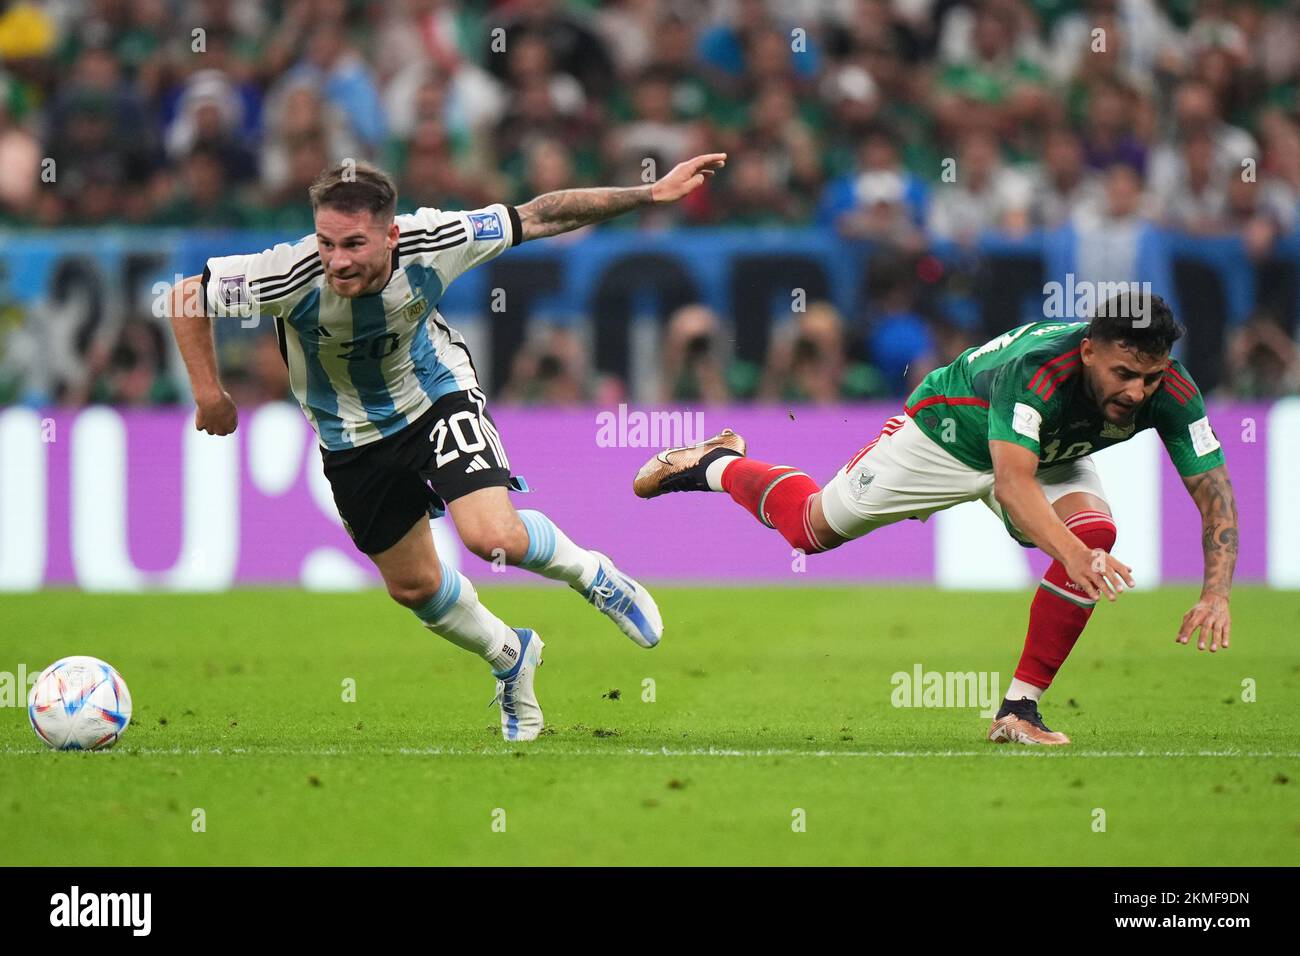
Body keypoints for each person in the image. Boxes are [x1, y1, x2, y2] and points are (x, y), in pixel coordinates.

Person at [169, 153, 727, 741]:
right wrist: (209, 394)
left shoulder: (435, 239)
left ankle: (594, 575)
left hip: (436, 397)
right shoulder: (285, 273)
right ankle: (511, 656)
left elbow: (539, 216)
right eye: (327, 242)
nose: (337, 261)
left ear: (391, 233)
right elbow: (186, 298)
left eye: (354, 244)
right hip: (349, 437)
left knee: (493, 538)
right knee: (414, 587)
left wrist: (645, 195)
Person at [634, 296, 1237, 745]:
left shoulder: (1171, 391)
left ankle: (1018, 712)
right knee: (810, 529)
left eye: (1149, 378)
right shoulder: (1037, 372)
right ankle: (716, 463)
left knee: (1093, 537)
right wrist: (1075, 559)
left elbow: (1214, 492)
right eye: (1123, 375)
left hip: (1048, 456)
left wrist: (1215, 592)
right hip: (946, 435)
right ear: (1087, 351)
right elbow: (1011, 483)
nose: (1136, 393)